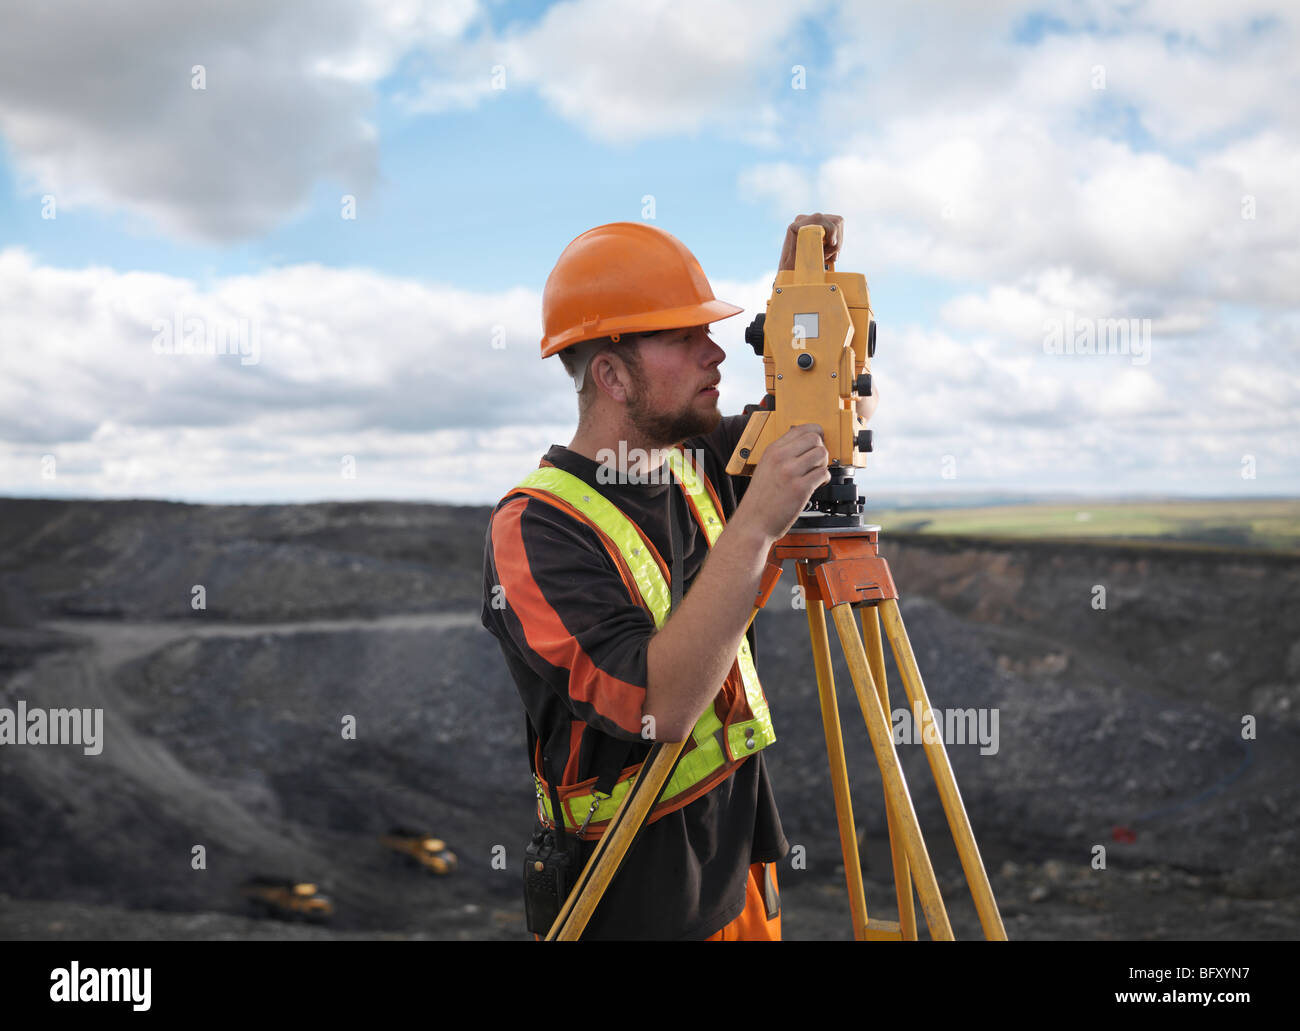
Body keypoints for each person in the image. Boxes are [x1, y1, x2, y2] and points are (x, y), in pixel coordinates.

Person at [481, 213, 877, 940]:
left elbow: (824, 409)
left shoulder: (701, 461)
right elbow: (659, 705)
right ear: (610, 373)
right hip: (634, 904)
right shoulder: (535, 529)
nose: (717, 352)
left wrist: (803, 298)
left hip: (742, 878)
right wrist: (756, 524)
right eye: (683, 337)